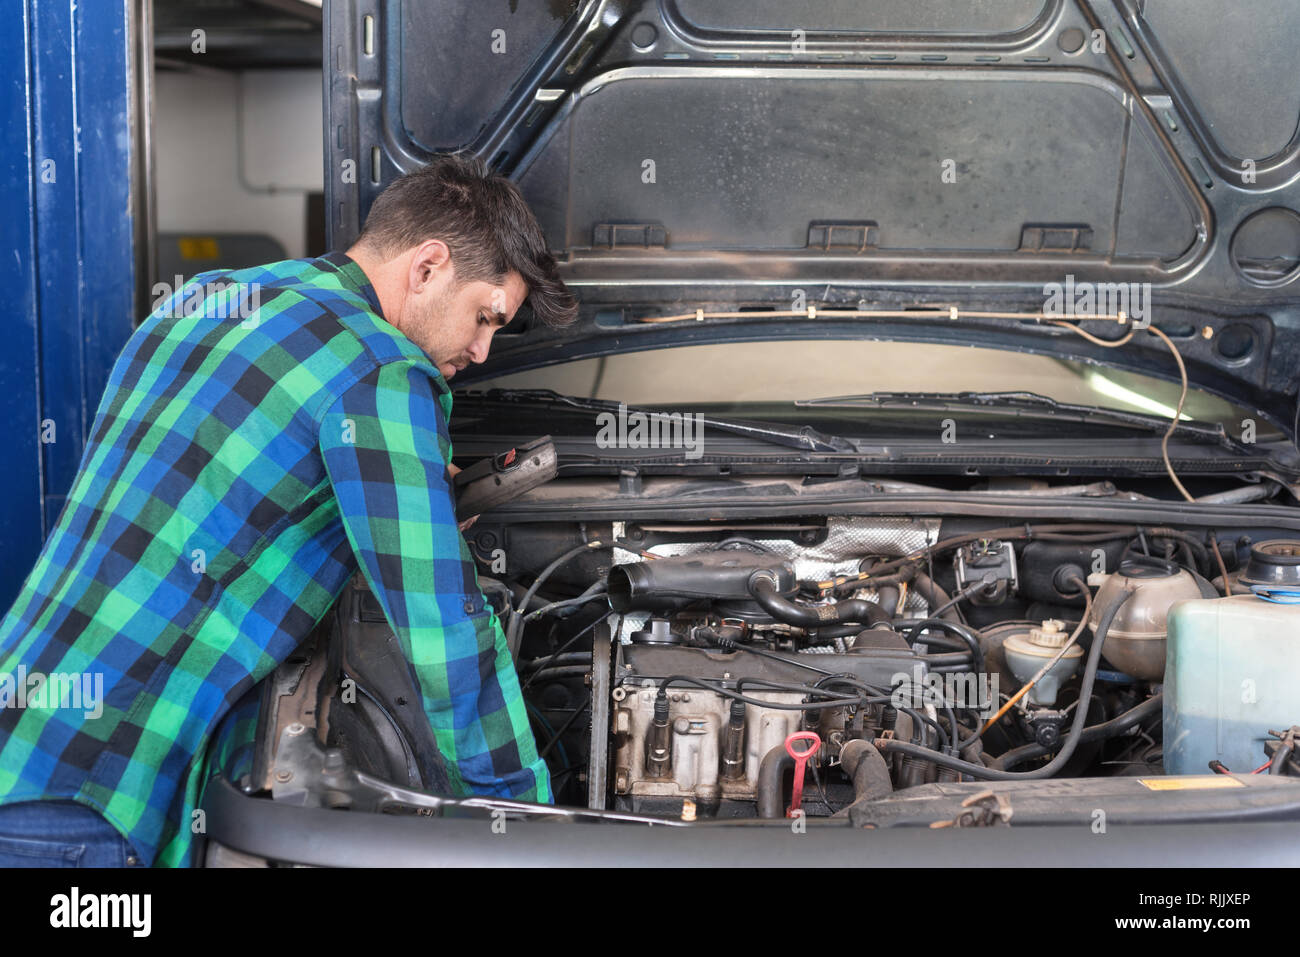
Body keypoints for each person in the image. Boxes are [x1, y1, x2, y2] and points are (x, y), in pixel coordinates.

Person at [0, 153, 577, 867]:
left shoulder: (205, 300)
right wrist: (526, 819)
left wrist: (399, 492)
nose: (483, 350)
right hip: (91, 797)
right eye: (485, 316)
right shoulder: (380, 373)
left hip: (23, 742)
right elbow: (444, 632)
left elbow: (211, 497)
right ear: (428, 266)